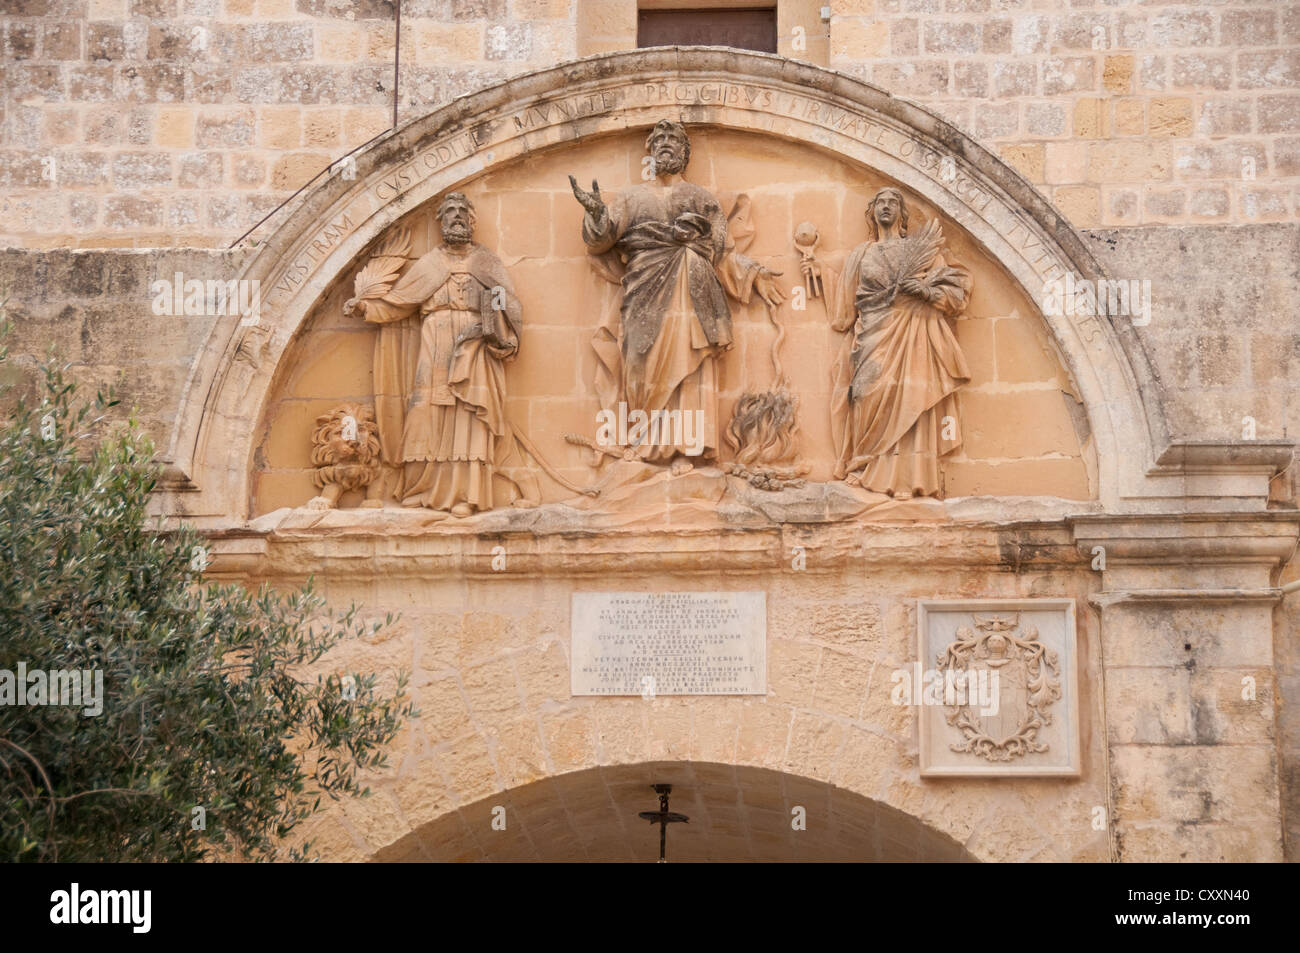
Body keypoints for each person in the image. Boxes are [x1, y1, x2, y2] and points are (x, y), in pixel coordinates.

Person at [569, 119, 786, 474]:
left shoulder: (699, 198)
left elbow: (723, 251)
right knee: (639, 361)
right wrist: (595, 213)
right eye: (660, 140)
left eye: (674, 140)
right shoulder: (630, 198)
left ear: (685, 153)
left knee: (690, 367)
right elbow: (601, 239)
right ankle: (641, 442)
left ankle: (687, 447)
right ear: (651, 151)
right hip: (643, 290)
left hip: (691, 290)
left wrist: (755, 275)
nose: (666, 145)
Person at [345, 192, 536, 516]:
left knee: (469, 416)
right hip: (434, 344)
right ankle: (422, 489)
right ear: (441, 222)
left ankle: (466, 495)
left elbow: (507, 303)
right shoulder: (430, 264)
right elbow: (399, 302)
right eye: (449, 212)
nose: (457, 216)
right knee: (425, 413)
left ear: (473, 221)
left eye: (463, 211)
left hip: (474, 346)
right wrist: (366, 307)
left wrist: (499, 328)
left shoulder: (487, 262)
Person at [824, 187, 972, 499]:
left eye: (893, 202)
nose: (887, 207)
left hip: (911, 331)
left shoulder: (918, 250)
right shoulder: (860, 254)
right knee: (863, 393)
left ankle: (907, 480)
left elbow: (957, 292)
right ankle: (863, 465)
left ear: (902, 214)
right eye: (880, 202)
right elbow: (842, 313)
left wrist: (925, 292)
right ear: (872, 212)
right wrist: (818, 274)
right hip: (871, 335)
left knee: (910, 398)